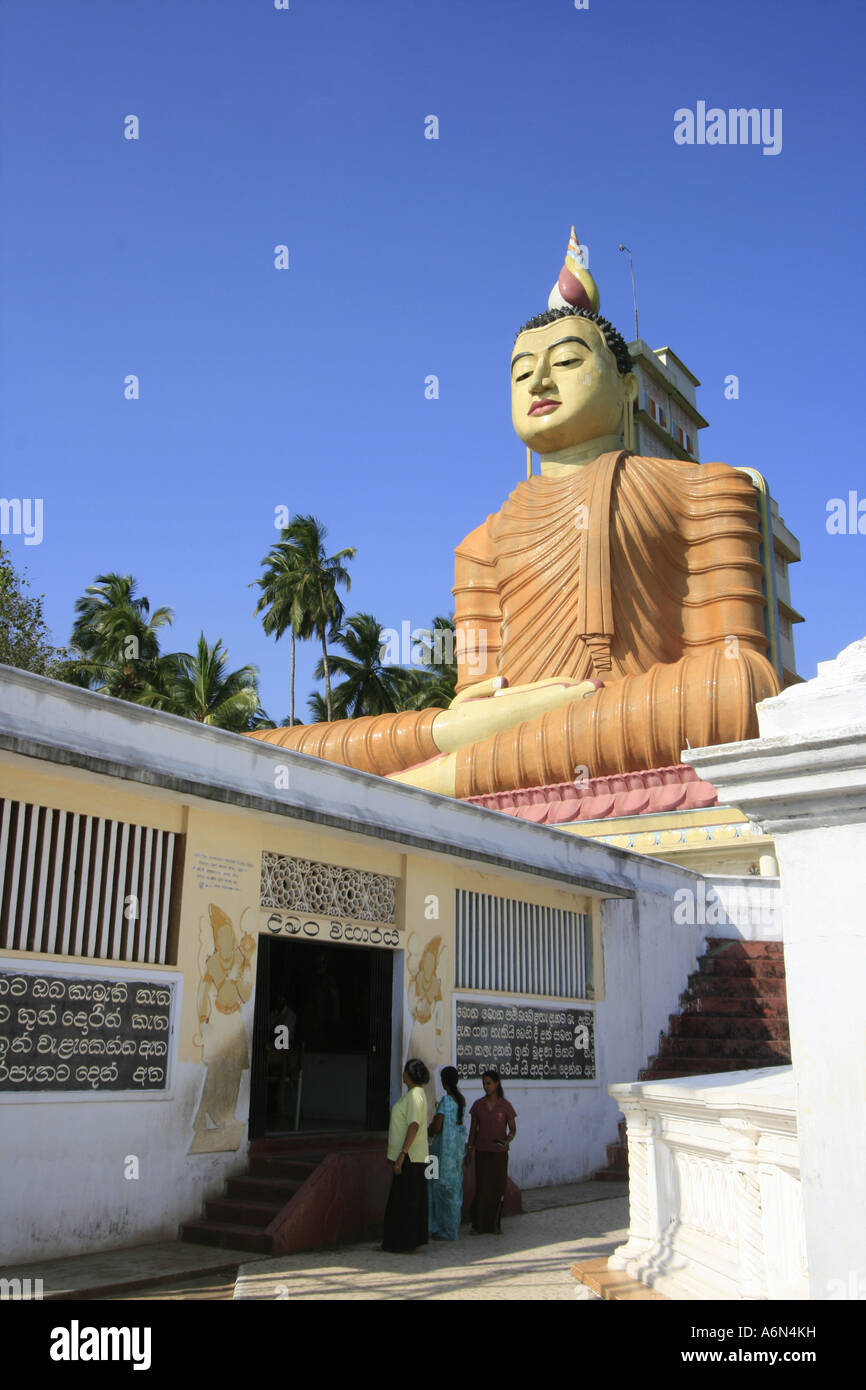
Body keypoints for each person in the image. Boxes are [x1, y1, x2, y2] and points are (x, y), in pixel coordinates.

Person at [246, 228, 781, 798]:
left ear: (628, 389)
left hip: (633, 722)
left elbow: (739, 675)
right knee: (277, 749)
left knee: (737, 690)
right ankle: (446, 778)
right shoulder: (483, 543)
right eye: (522, 371)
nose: (540, 381)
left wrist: (564, 709)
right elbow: (477, 699)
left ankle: (418, 792)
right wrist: (509, 712)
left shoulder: (706, 489)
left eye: (568, 361)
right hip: (527, 737)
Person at [381, 1057, 430, 1253]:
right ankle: (399, 1241)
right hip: (409, 1156)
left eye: (404, 1071)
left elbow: (414, 1125)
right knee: (403, 1200)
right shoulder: (413, 1095)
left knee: (408, 1201)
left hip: (411, 1156)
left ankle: (409, 1242)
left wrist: (402, 1154)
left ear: (409, 1075)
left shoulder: (415, 1096)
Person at [466, 1070, 517, 1234]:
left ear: (496, 1084)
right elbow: (473, 1130)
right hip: (482, 1151)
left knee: (497, 1188)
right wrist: (469, 1150)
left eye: (489, 1083)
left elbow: (513, 1130)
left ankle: (495, 1224)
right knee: (482, 1188)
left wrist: (506, 1141)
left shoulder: (505, 1105)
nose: (486, 1086)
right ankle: (479, 1225)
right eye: (484, 1083)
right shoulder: (478, 1105)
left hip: (499, 1153)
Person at [428, 1066, 467, 1241]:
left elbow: (437, 1127)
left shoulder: (445, 1101)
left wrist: (429, 1128)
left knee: (433, 1188)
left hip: (439, 1152)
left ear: (444, 1082)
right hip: (456, 1153)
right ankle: (451, 1227)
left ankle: (436, 1227)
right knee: (453, 1189)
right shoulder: (461, 1100)